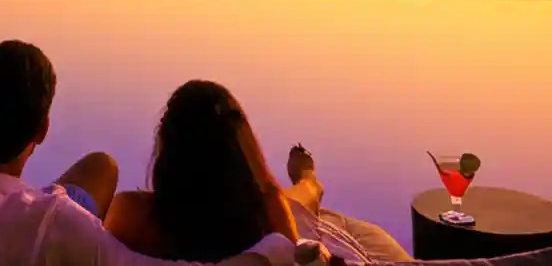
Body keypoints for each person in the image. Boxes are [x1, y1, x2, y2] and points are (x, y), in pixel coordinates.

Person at [0, 41, 320, 266]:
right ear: (42, 131)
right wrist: (276, 250)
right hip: (32, 224)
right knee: (101, 165)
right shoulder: (61, 226)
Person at [105, 81, 408, 264]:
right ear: (240, 151)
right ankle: (306, 174)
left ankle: (306, 176)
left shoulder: (132, 212)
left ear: (167, 149)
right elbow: (295, 256)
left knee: (299, 197)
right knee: (305, 193)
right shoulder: (265, 212)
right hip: (260, 208)